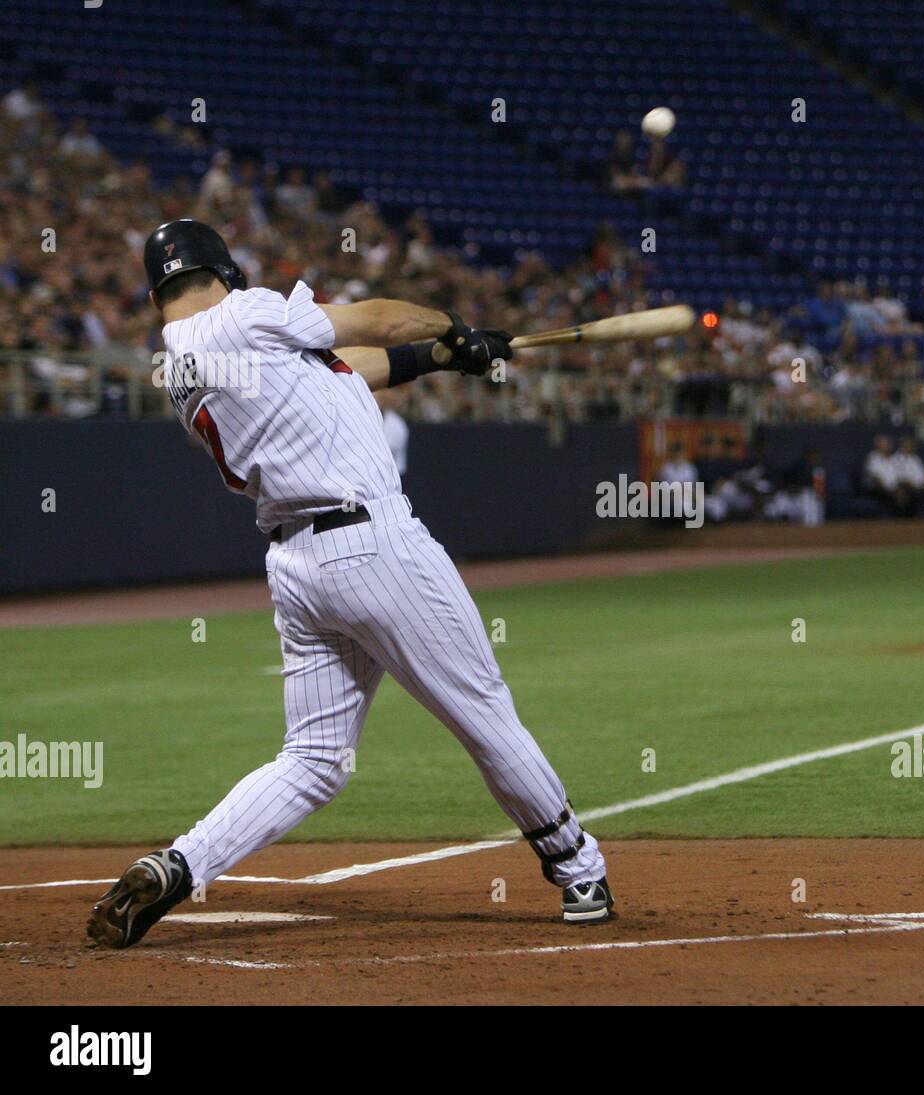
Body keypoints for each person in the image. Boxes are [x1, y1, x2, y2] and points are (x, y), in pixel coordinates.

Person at [86, 220, 614, 950]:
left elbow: (343, 362)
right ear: (225, 269)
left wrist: (436, 356)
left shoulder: (179, 366)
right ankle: (578, 867)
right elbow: (375, 316)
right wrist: (456, 327)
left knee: (312, 760)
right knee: (482, 709)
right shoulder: (244, 313)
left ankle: (177, 864)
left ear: (155, 293)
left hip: (297, 567)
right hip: (376, 543)